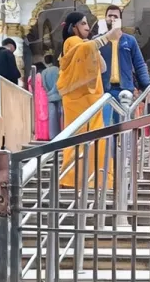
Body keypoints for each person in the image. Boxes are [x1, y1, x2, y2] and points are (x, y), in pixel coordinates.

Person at [58, 11, 118, 187]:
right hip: (79, 100)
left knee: (94, 140)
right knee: (80, 137)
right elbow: (83, 49)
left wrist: (96, 47)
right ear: (73, 27)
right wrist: (107, 37)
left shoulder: (84, 44)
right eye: (83, 24)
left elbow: (104, 68)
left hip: (90, 100)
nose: (86, 27)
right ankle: (72, 179)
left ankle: (94, 179)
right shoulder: (72, 42)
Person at [100, 5, 150, 124]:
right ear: (105, 18)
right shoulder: (98, 41)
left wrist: (147, 86)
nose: (112, 19)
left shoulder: (129, 40)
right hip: (103, 90)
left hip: (124, 91)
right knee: (104, 126)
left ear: (120, 20)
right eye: (109, 16)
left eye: (115, 17)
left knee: (123, 126)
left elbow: (139, 65)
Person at [41, 54, 63, 139]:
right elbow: (59, 82)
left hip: (49, 96)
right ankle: (62, 135)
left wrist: (49, 92)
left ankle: (53, 136)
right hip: (59, 94)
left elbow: (44, 85)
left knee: (52, 116)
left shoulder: (44, 72)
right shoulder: (58, 70)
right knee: (60, 115)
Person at [28, 61, 49, 140]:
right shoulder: (43, 75)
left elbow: (30, 88)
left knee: (37, 118)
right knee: (45, 118)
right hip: (45, 98)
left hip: (36, 99)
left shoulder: (32, 77)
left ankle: (39, 135)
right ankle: (46, 135)